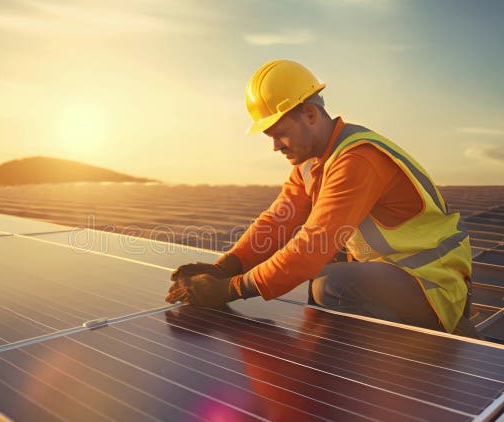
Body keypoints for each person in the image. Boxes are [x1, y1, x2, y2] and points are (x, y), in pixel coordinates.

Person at [166, 59, 479, 337]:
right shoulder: (311, 163)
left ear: (310, 114)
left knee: (331, 283)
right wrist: (224, 268)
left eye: (280, 133)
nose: (275, 146)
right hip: (393, 277)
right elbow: (278, 221)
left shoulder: (356, 159)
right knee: (325, 269)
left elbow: (312, 245)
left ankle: (408, 361)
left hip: (431, 284)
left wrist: (229, 289)